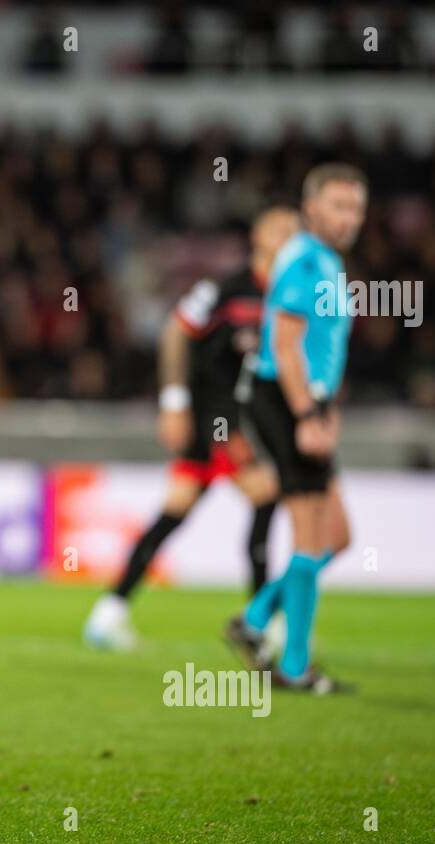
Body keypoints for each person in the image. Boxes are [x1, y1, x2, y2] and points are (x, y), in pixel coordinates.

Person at [84, 207, 299, 651]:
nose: (288, 238)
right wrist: (174, 403)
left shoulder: (284, 294)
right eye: (280, 229)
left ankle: (110, 612)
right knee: (264, 492)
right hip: (210, 415)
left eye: (294, 232)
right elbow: (175, 333)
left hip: (231, 414)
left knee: (175, 511)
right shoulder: (224, 288)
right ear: (258, 236)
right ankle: (263, 619)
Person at [225, 164, 369, 693]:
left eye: (356, 207)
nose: (349, 217)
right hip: (286, 402)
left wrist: (322, 404)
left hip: (305, 402)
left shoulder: (325, 261)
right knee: (311, 535)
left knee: (338, 535)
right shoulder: (307, 261)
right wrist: (308, 414)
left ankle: (256, 618)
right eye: (338, 205)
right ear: (311, 209)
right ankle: (295, 667)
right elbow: (284, 347)